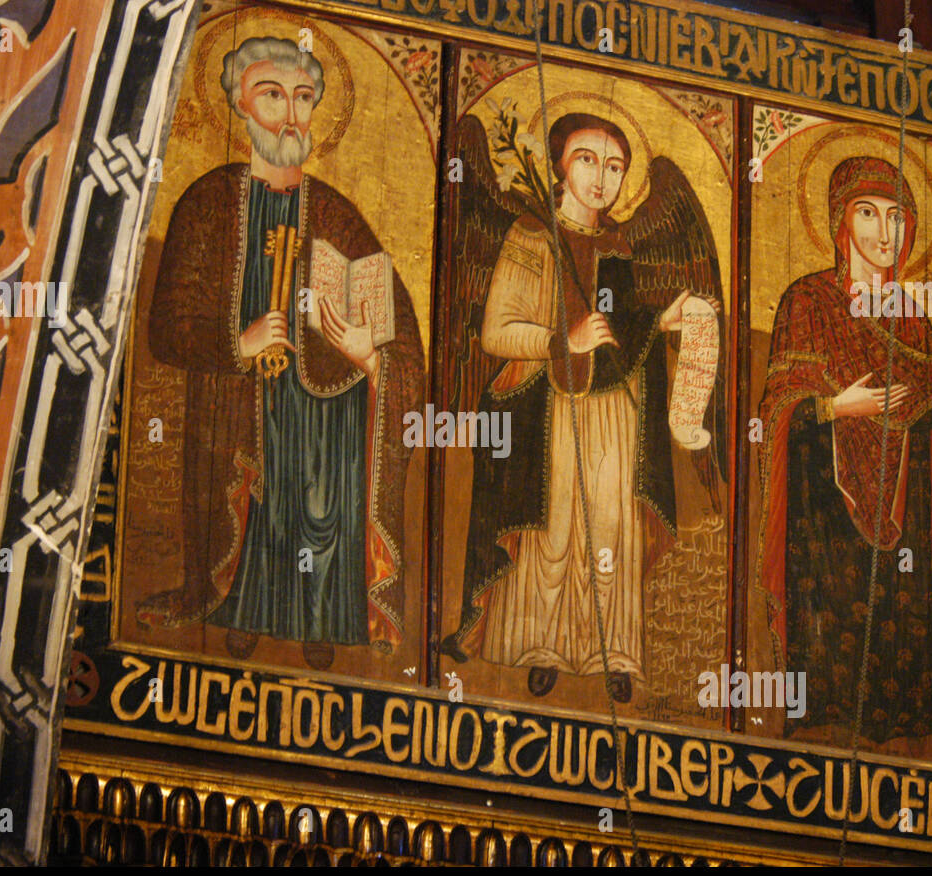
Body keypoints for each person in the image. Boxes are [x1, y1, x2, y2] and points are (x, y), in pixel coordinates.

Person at [137, 36, 423, 668]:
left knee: (321, 503)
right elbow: (165, 328)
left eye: (302, 98)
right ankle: (241, 609)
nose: (291, 116)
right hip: (241, 401)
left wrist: (368, 356)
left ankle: (326, 618)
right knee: (259, 506)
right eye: (272, 96)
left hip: (330, 413)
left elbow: (396, 325)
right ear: (240, 104)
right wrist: (236, 343)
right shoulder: (208, 203)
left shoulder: (339, 214)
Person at [445, 113, 717, 700]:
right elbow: (495, 332)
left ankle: (611, 651)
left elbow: (624, 329)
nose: (601, 177)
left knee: (612, 528)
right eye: (587, 160)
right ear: (560, 167)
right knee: (554, 528)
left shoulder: (619, 245)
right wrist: (559, 341)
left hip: (616, 413)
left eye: (615, 166)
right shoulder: (530, 236)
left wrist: (663, 320)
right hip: (545, 407)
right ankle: (536, 644)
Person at [757, 156, 932, 746]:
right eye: (867, 213)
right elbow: (776, 408)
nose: (883, 232)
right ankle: (818, 708)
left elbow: (917, 407)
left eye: (897, 217)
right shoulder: (808, 300)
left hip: (904, 493)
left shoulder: (914, 318)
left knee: (901, 588)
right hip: (823, 495)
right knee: (834, 598)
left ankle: (902, 713)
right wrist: (832, 409)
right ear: (840, 223)